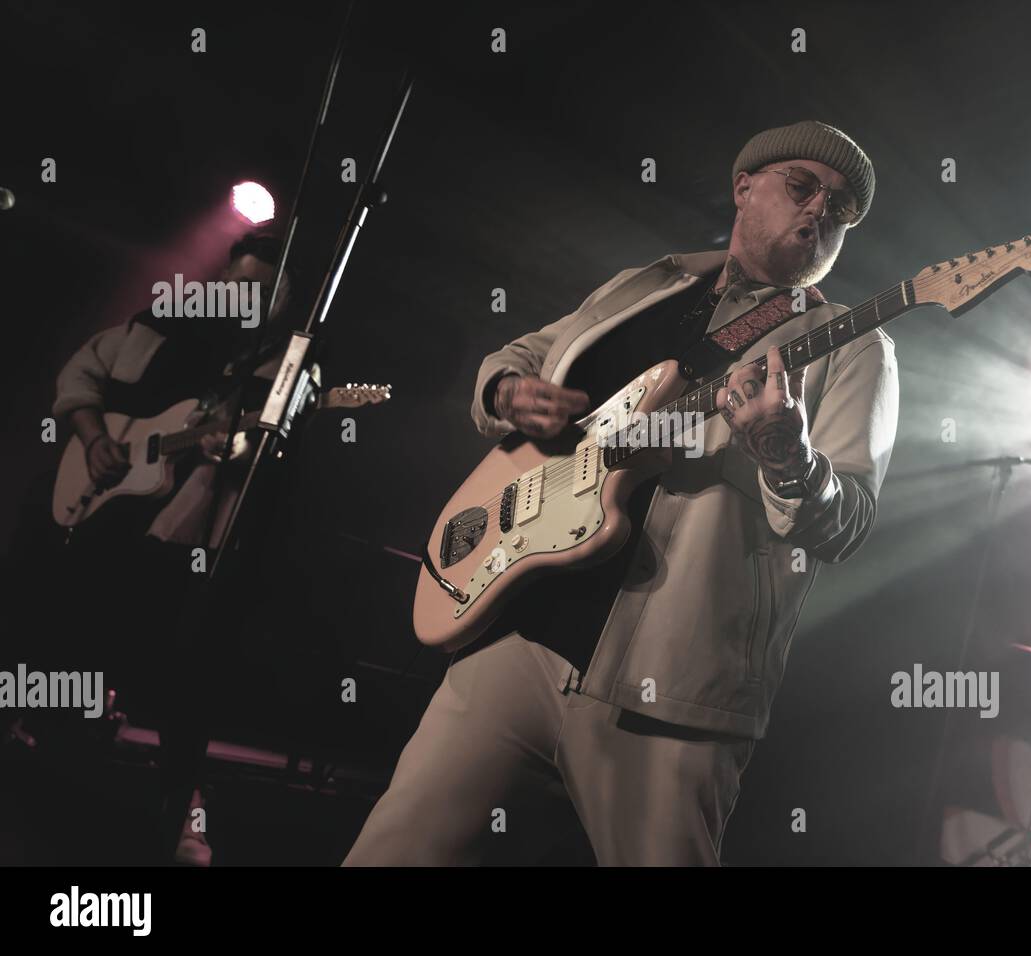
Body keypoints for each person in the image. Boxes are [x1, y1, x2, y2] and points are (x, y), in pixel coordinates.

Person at [345, 120, 900, 865]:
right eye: (803, 187)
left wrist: (787, 456)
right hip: (519, 637)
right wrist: (508, 392)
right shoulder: (645, 284)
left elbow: (848, 526)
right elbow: (520, 356)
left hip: (670, 690)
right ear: (745, 187)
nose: (818, 213)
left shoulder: (851, 342)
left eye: (838, 209)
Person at [47, 232, 295, 865]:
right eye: (239, 285)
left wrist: (232, 445)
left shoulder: (283, 361)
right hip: (111, 521)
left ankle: (178, 819)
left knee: (181, 678)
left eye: (263, 291)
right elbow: (80, 371)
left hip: (188, 542)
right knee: (78, 639)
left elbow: (273, 428)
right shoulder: (160, 323)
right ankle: (59, 786)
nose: (247, 299)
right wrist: (94, 435)